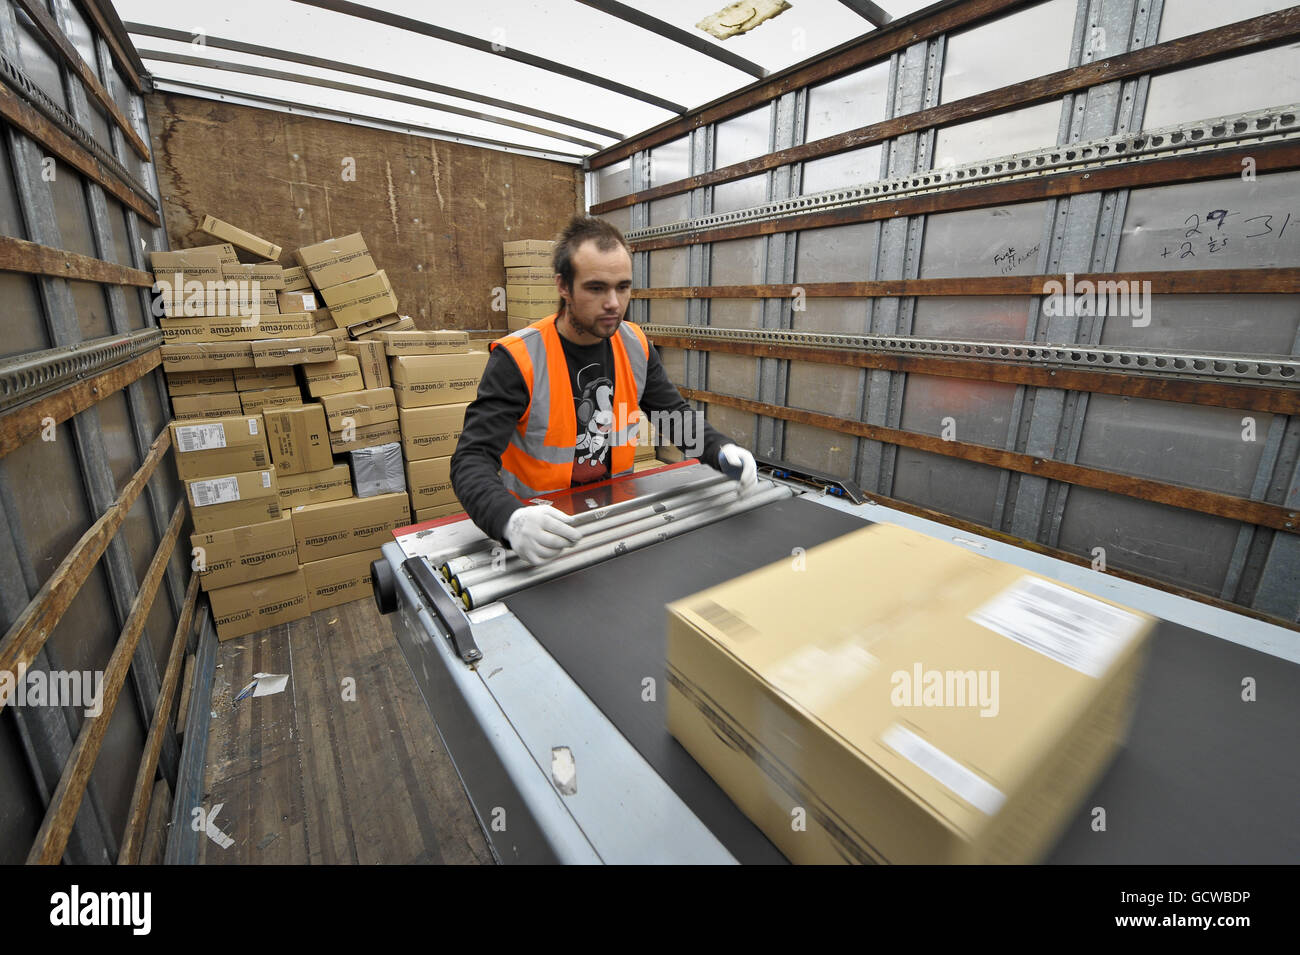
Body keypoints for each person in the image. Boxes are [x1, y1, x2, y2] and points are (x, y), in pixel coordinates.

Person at [450, 215, 758, 565]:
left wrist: (719, 449)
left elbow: (672, 415)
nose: (613, 302)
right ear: (563, 286)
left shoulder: (634, 344)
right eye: (596, 288)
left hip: (613, 517)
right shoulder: (518, 359)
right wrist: (509, 518)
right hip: (541, 528)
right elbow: (471, 459)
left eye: (623, 287)